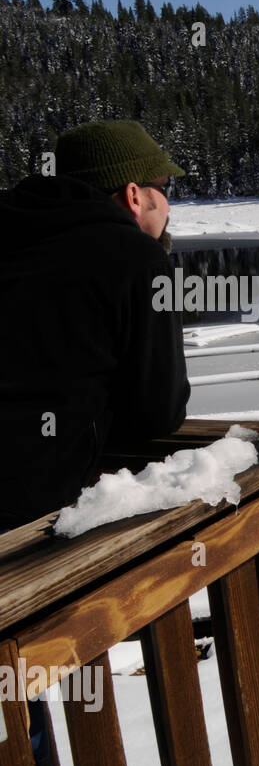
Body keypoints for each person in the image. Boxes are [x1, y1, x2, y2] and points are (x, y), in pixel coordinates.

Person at [0, 120, 189, 532]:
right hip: (24, 517)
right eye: (165, 189)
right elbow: (158, 412)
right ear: (134, 194)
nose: (170, 206)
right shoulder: (137, 259)